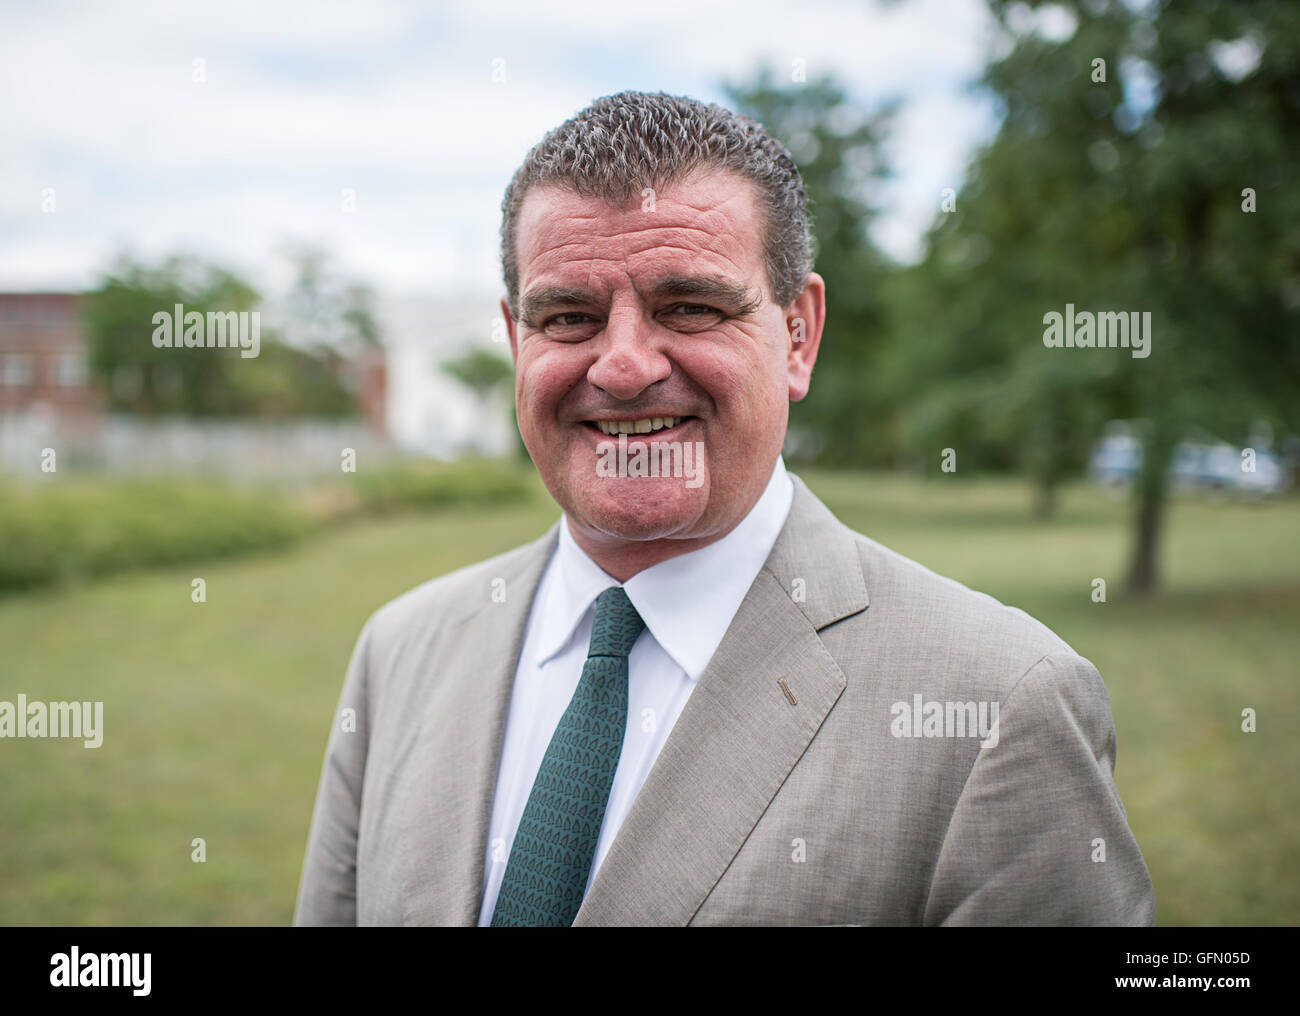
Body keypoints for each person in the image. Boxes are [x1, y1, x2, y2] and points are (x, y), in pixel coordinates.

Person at [293, 90, 1155, 927]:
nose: (624, 366)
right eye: (570, 316)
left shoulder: (1002, 708)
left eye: (691, 307)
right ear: (518, 342)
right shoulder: (398, 651)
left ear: (797, 334)